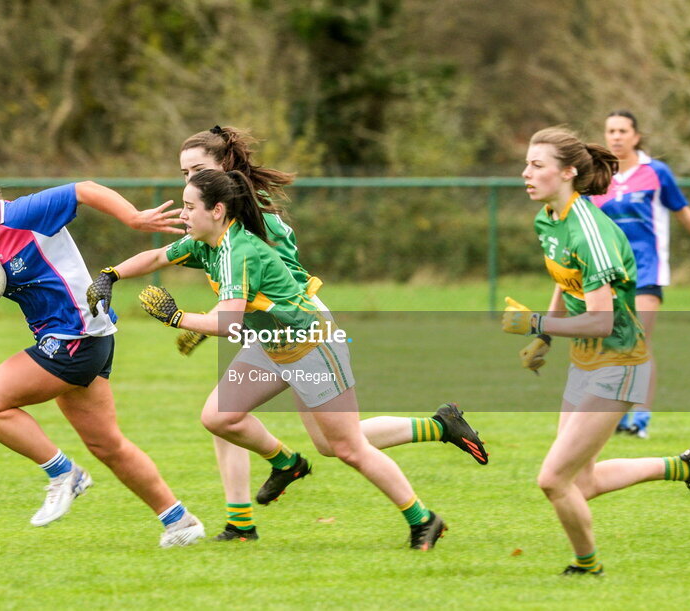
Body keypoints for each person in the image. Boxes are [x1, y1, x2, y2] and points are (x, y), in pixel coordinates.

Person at [90, 126, 488, 543]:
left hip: (307, 340)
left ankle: (423, 511)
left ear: (221, 183)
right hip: (269, 340)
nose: (188, 185)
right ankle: (266, 490)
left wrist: (188, 319)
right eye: (185, 174)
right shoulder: (210, 233)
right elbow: (170, 262)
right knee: (224, 418)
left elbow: (259, 295)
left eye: (197, 173)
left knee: (343, 445)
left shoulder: (253, 231)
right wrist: (110, 275)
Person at [0, 163, 204, 547]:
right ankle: (180, 522)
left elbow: (85, 189)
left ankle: (63, 473)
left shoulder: (24, 214)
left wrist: (133, 217)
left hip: (77, 335)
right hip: (76, 339)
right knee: (107, 444)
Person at [504, 127, 690, 575]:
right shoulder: (549, 218)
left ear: (568, 172)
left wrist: (536, 323)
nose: (526, 173)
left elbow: (602, 321)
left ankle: (587, 567)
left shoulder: (591, 232)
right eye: (527, 163)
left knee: (553, 479)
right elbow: (564, 279)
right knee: (580, 482)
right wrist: (545, 338)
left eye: (537, 165)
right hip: (585, 360)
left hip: (619, 363)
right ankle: (685, 467)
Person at [590, 110, 690, 438]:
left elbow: (683, 213)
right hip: (608, 272)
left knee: (638, 340)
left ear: (636, 136)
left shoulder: (656, 172)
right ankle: (614, 415)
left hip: (647, 270)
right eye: (611, 131)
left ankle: (640, 417)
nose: (616, 137)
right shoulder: (599, 176)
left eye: (623, 130)